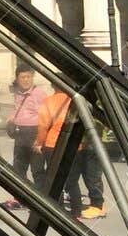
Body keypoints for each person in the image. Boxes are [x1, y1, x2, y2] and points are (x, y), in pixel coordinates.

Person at [35, 88, 105, 221]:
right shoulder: (76, 101)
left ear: (53, 86)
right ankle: (76, 210)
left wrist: (39, 143)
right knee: (71, 180)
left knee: (53, 177)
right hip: (73, 144)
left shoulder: (49, 101)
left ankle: (58, 207)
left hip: (52, 144)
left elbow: (43, 125)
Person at [7, 63, 48, 194]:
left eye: (28, 77)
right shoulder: (17, 93)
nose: (26, 80)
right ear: (17, 79)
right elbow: (16, 110)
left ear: (32, 77)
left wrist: (40, 140)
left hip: (35, 133)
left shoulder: (40, 94)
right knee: (18, 169)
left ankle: (41, 197)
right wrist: (10, 120)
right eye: (22, 77)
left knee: (37, 170)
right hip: (20, 134)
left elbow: (46, 118)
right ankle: (23, 196)